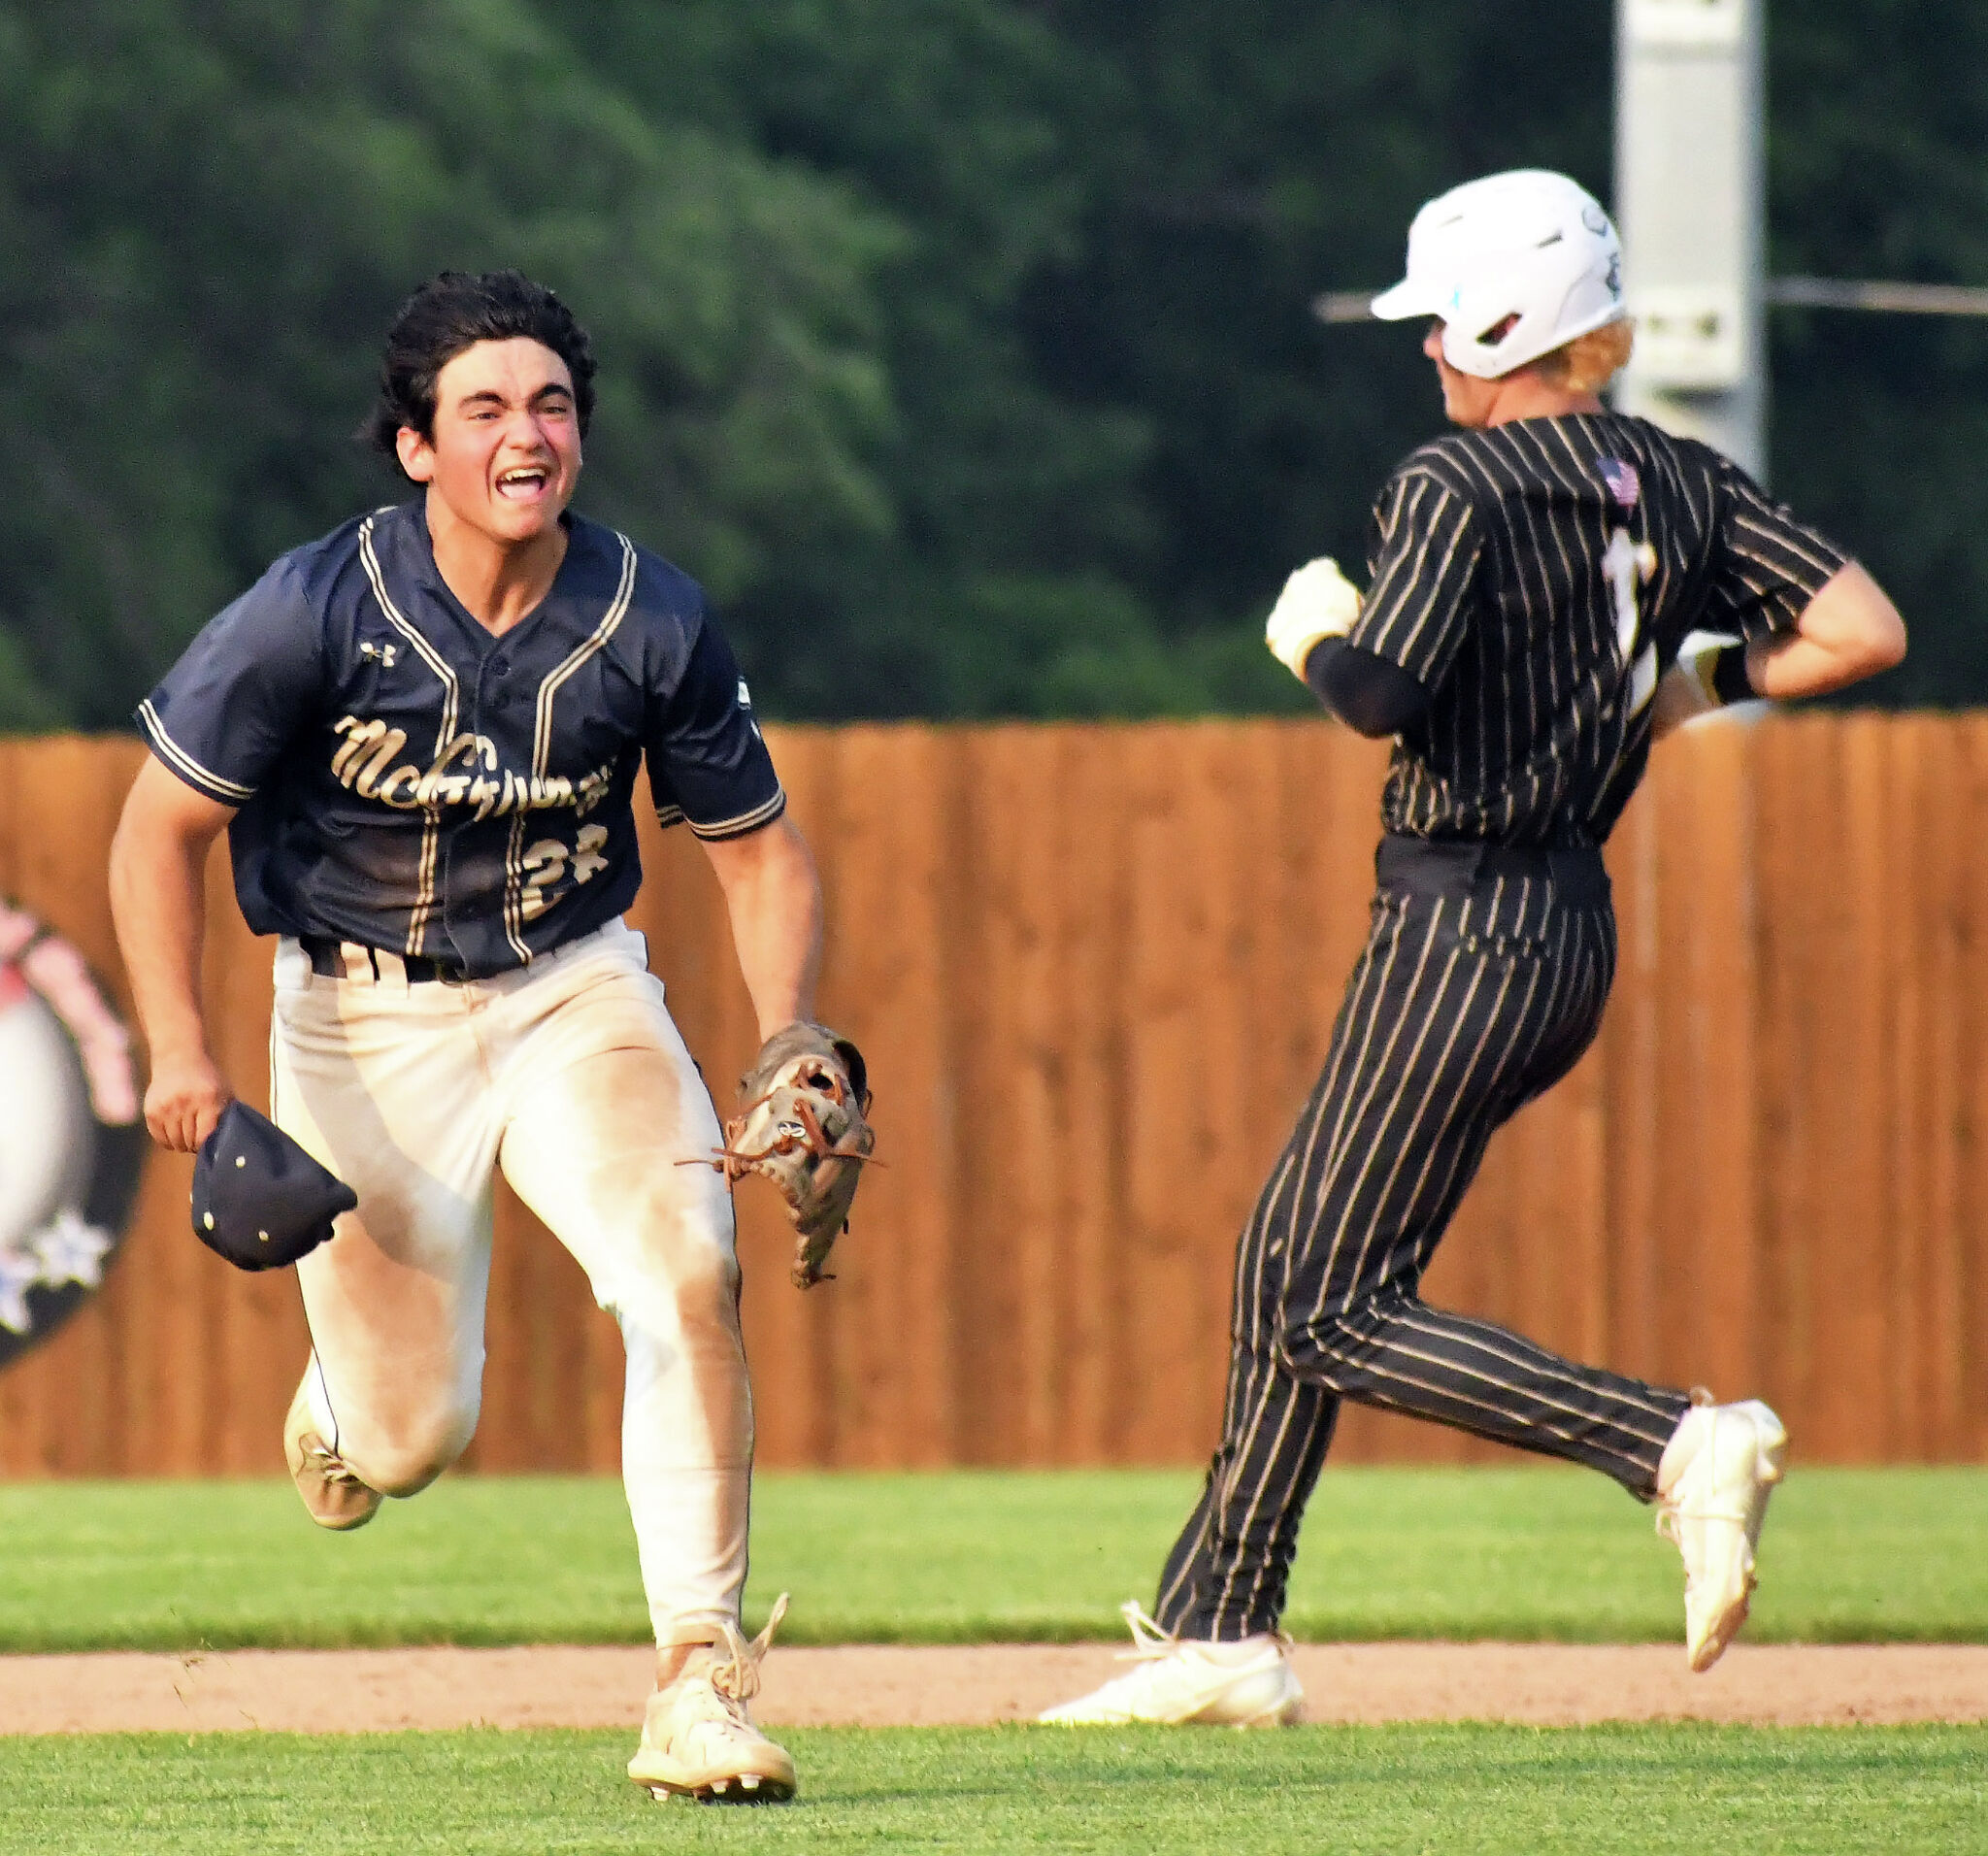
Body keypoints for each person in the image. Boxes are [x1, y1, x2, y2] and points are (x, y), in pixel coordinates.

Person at [1042, 171, 1906, 1727]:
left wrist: (1311, 627)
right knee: (1293, 1263)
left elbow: (1382, 694)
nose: (1429, 350)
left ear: (1504, 323)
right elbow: (1860, 631)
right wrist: (1686, 693)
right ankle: (1220, 1628)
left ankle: (1667, 1442)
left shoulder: (1458, 484)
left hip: (1461, 918)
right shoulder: (1684, 479)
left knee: (1318, 1296)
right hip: (1569, 922)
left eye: (1441, 322)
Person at [108, 270, 821, 1801]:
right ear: (415, 446)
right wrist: (179, 1050)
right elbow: (154, 830)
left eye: (553, 403)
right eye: (485, 406)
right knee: (413, 1436)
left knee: (687, 1266)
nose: (527, 433)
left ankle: (700, 1682)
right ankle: (346, 1411)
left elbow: (758, 847)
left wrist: (789, 1034)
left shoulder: (649, 614)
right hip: (360, 1019)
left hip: (577, 989)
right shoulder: (313, 607)